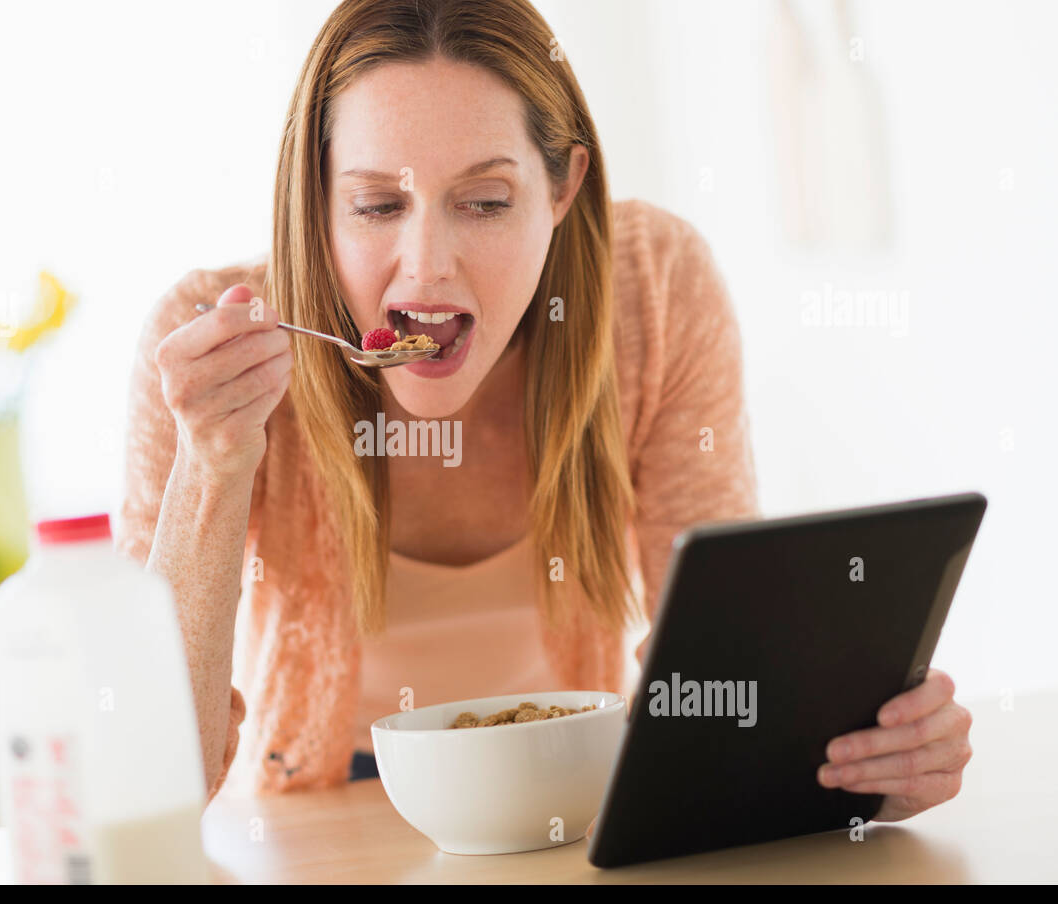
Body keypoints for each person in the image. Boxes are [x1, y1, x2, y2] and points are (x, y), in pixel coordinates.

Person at [118, 0, 972, 824]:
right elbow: (149, 782)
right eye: (378, 205)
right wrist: (214, 468)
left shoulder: (657, 291)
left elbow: (718, 675)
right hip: (320, 838)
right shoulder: (204, 350)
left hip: (568, 820)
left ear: (562, 186)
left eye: (485, 202)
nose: (426, 268)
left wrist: (852, 773)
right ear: (315, 200)